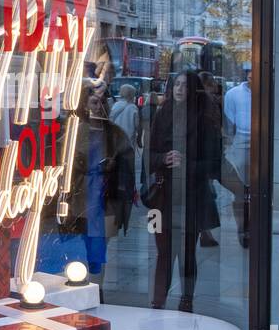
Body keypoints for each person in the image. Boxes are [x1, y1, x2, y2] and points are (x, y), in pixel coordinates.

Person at [148, 71, 216, 312]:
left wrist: (187, 163)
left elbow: (214, 164)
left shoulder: (205, 120)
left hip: (192, 196)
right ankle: (158, 302)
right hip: (163, 195)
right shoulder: (161, 114)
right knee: (164, 253)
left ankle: (187, 301)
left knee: (187, 253)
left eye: (184, 85)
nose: (179, 89)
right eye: (176, 84)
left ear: (193, 90)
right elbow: (148, 156)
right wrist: (163, 158)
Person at [59, 84, 136, 282]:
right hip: (80, 199)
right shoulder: (74, 133)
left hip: (106, 200)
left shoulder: (115, 133)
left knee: (99, 249)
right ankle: (84, 284)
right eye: (94, 102)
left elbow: (128, 166)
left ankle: (97, 288)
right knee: (81, 249)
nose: (99, 106)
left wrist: (115, 167)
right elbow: (61, 164)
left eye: (103, 102)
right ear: (85, 105)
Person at [223, 64, 252, 248]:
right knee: (241, 189)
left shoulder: (268, 91)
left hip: (263, 141)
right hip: (241, 141)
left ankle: (254, 226)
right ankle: (242, 227)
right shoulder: (233, 94)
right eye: (250, 73)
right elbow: (229, 122)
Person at [110, 83, 140, 148]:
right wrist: (139, 138)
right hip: (128, 140)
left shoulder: (115, 105)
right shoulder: (133, 108)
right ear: (131, 95)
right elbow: (137, 125)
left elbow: (110, 120)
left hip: (116, 138)